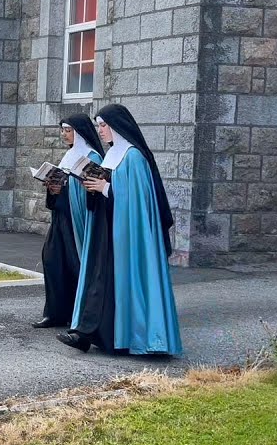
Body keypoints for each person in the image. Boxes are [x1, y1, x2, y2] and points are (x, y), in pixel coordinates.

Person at [59, 104, 182, 356]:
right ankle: (89, 334)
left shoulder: (134, 156)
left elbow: (134, 201)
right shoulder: (112, 155)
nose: (101, 131)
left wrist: (105, 188)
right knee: (99, 282)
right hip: (107, 231)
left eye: (104, 125)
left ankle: (107, 336)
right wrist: (93, 188)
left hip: (126, 235)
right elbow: (111, 191)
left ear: (117, 126)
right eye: (99, 126)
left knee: (112, 283)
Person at [34, 114, 105, 329]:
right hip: (62, 218)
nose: (64, 134)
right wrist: (54, 190)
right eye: (63, 130)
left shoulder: (93, 157)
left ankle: (80, 314)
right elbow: (66, 187)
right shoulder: (69, 155)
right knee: (52, 260)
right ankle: (55, 313)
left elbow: (91, 193)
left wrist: (64, 190)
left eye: (68, 130)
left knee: (76, 264)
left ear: (80, 132)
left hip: (79, 221)